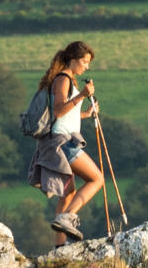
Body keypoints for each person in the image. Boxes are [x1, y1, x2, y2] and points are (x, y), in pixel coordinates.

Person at [31, 40, 105, 245]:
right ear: (73, 59)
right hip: (62, 143)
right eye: (84, 61)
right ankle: (68, 218)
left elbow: (65, 115)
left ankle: (59, 247)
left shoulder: (67, 80)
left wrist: (86, 114)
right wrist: (82, 95)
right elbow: (58, 111)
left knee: (68, 194)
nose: (86, 66)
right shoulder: (63, 79)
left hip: (59, 140)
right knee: (97, 179)